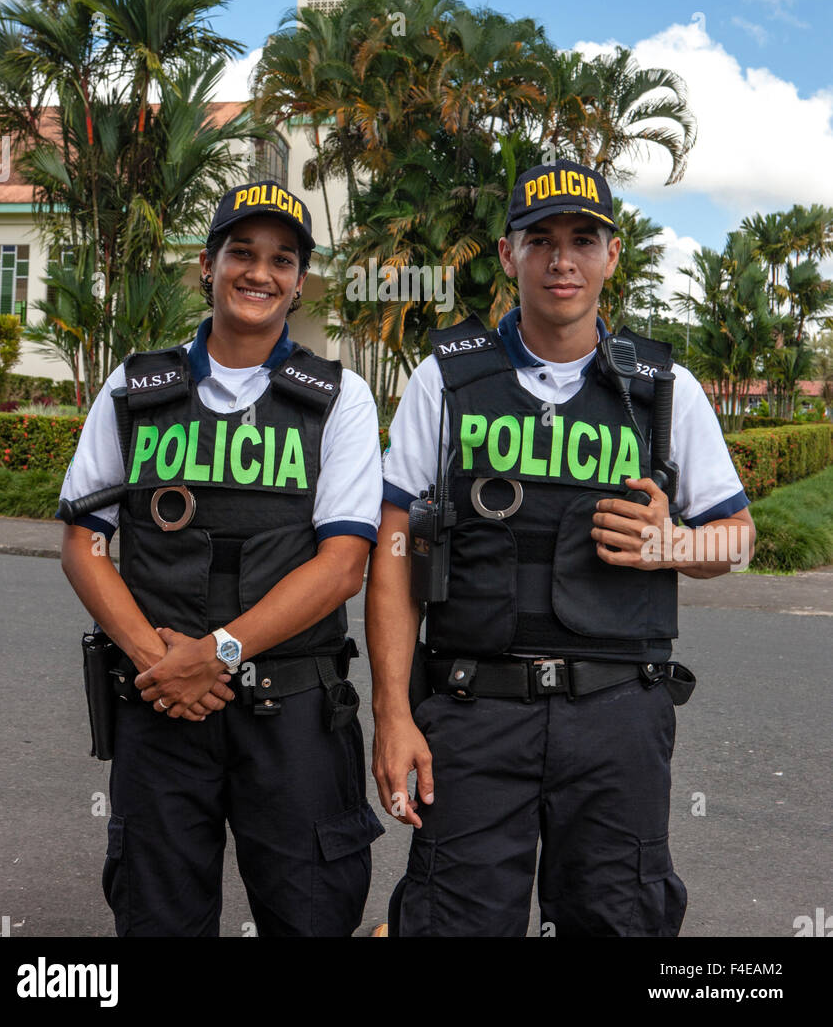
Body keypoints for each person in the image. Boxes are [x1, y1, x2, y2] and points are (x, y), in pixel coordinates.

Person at [367, 159, 755, 938]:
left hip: (618, 717)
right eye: (538, 239)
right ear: (508, 257)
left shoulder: (661, 388)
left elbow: (737, 539)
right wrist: (392, 715)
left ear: (613, 255)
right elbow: (393, 554)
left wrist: (672, 545)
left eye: (583, 239)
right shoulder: (444, 382)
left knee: (620, 920)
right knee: (454, 923)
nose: (561, 259)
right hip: (474, 712)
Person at [59, 180, 384, 937]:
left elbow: (342, 565)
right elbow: (83, 542)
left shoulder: (340, 398)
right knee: (156, 915)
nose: (258, 273)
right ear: (206, 266)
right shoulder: (135, 388)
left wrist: (219, 653)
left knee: (310, 915)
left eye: (281, 259)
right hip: (161, 706)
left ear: (300, 280)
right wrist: (160, 663)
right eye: (241, 253)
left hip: (293, 712)